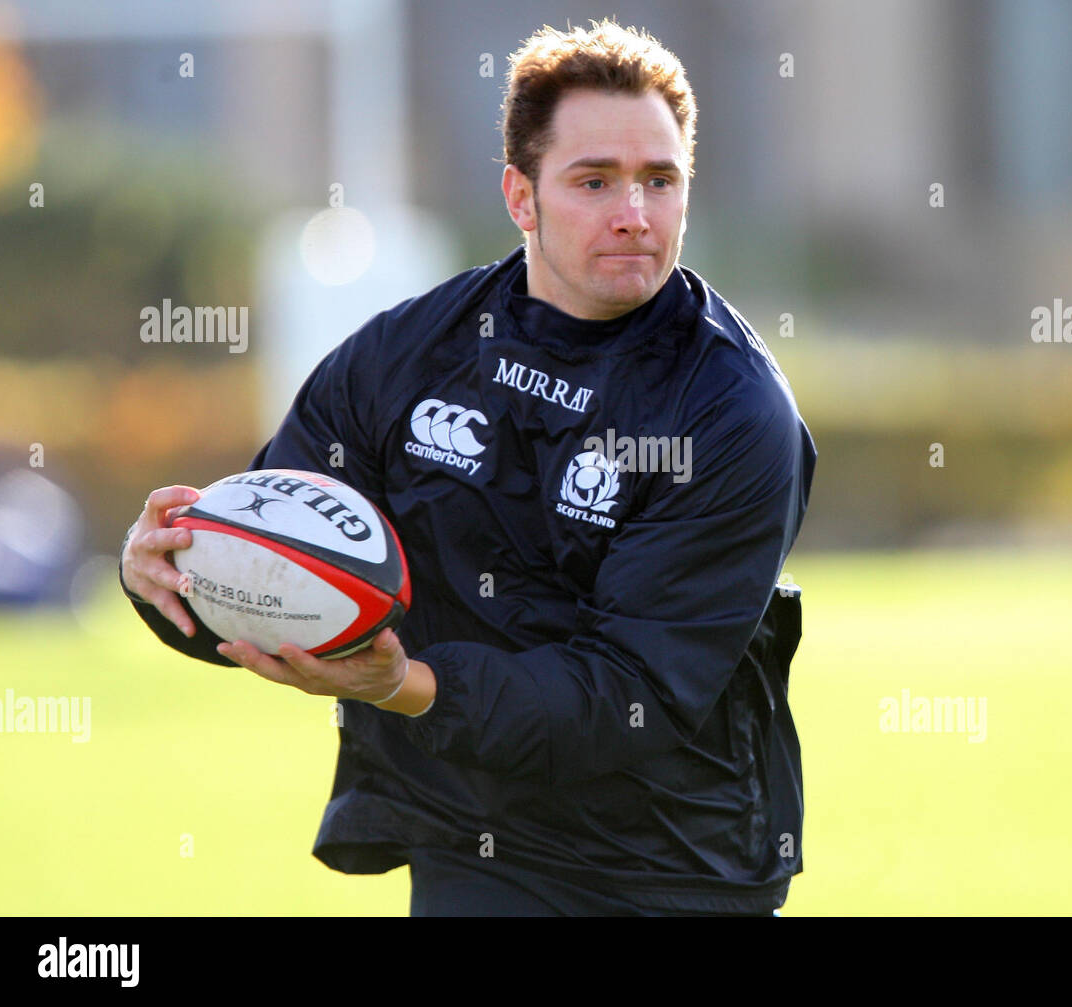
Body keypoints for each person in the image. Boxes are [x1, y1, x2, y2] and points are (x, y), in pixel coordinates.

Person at [119, 18, 816, 916]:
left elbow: (628, 692)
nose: (634, 213)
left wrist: (407, 685)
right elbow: (278, 569)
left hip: (676, 863)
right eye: (594, 181)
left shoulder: (731, 411)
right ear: (520, 197)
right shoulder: (407, 357)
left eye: (659, 180)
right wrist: (169, 573)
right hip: (476, 840)